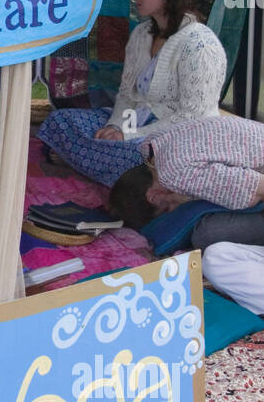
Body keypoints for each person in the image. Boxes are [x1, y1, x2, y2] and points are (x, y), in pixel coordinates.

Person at [38, 0, 226, 185]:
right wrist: (115, 126)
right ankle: (104, 166)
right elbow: (128, 94)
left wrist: (128, 136)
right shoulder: (142, 34)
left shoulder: (200, 43)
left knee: (136, 157)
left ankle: (90, 162)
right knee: (61, 121)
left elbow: (192, 118)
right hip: (136, 123)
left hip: (177, 139)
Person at [108, 116, 264, 314]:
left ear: (155, 196)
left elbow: (258, 189)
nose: (177, 212)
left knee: (208, 233)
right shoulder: (152, 146)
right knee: (216, 255)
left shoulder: (174, 174)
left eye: (168, 211)